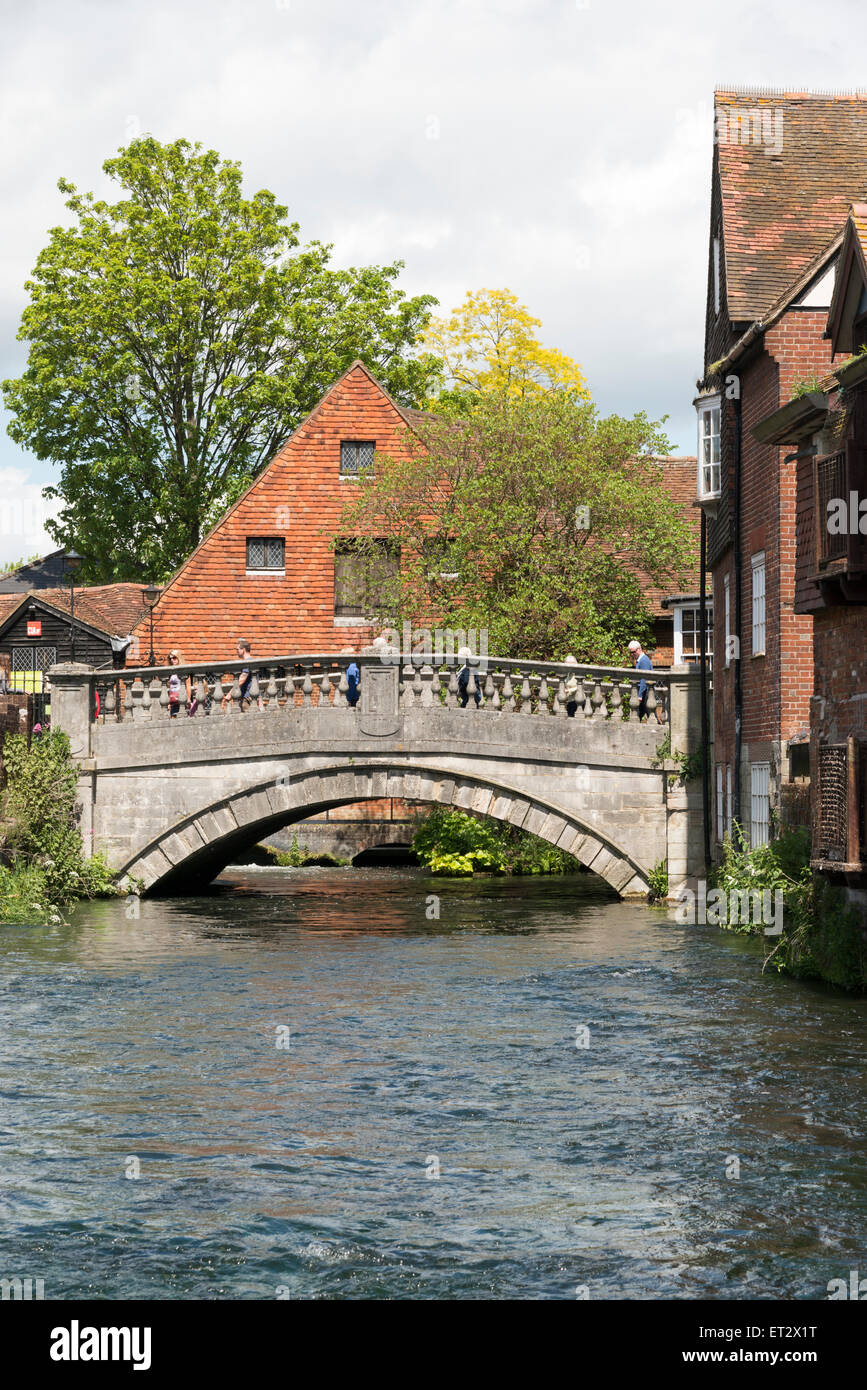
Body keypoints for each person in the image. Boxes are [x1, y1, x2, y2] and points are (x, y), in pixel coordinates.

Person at [628, 640, 654, 721]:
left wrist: (639, 695)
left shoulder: (644, 661)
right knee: (640, 715)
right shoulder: (641, 660)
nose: (632, 655)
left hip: (645, 693)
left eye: (633, 652)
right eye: (630, 653)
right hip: (644, 692)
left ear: (639, 649)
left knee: (651, 716)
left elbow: (644, 679)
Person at [167, 650, 187, 717]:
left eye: (174, 658)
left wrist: (189, 699)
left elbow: (188, 684)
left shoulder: (183, 670)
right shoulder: (171, 671)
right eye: (170, 658)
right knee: (173, 718)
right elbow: (170, 687)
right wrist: (169, 702)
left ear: (179, 658)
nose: (172, 660)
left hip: (181, 699)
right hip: (173, 700)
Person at [563, 653, 580, 717]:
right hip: (569, 701)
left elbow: (579, 687)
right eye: (567, 663)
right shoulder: (567, 674)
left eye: (571, 663)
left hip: (578, 701)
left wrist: (568, 690)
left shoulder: (578, 674)